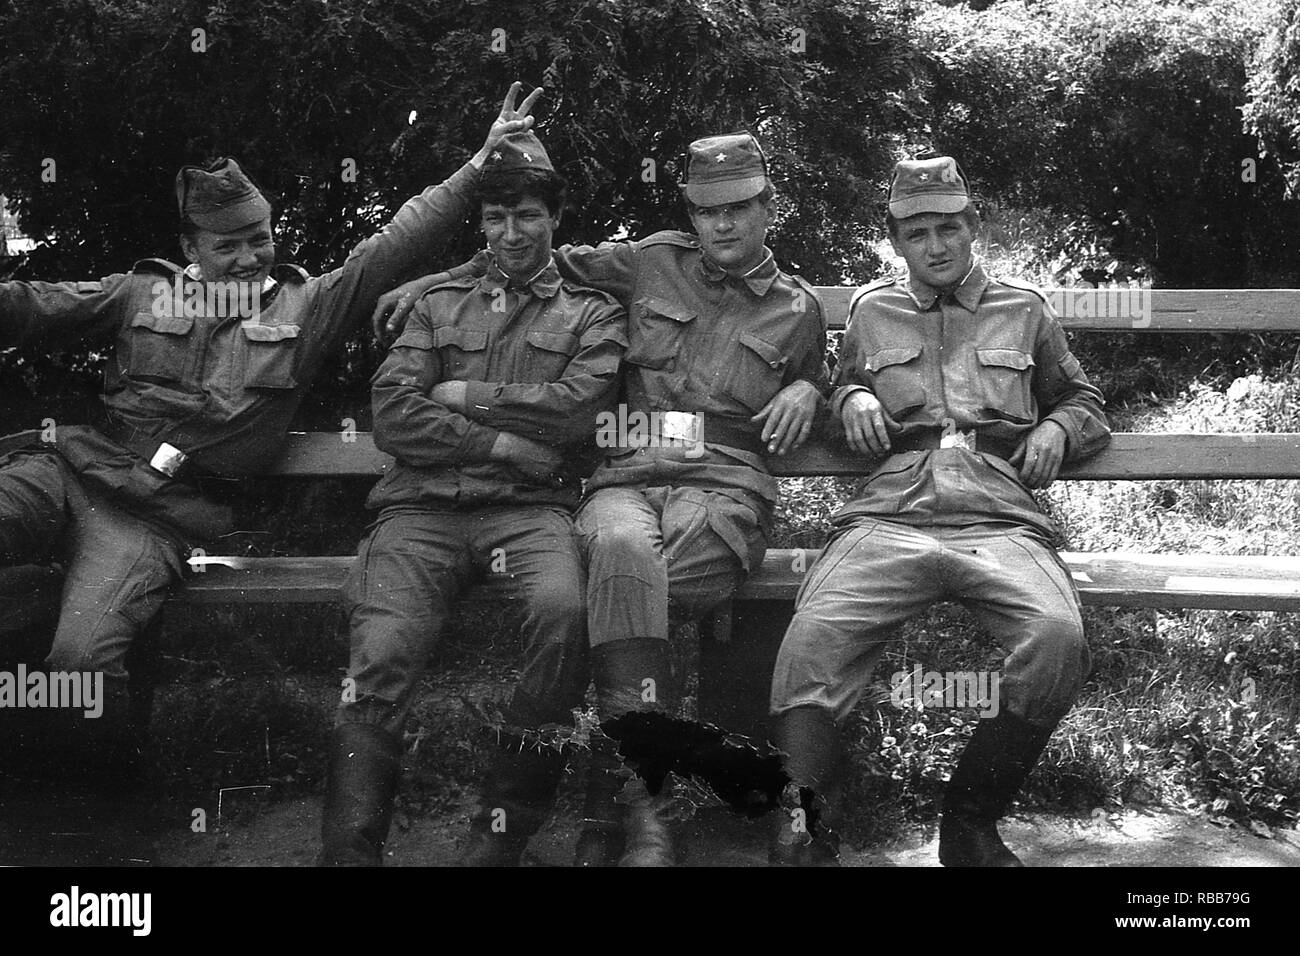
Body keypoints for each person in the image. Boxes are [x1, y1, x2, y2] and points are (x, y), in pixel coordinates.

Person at [0, 83, 541, 781]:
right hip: (67, 470)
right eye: (229, 247)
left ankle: (87, 812)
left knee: (79, 664)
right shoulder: (141, 293)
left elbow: (396, 241)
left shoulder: (307, 307)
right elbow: (31, 306)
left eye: (261, 239)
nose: (251, 257)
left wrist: (476, 167)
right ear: (190, 247)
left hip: (148, 519)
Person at [375, 132, 831, 866]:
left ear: (769, 207)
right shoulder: (650, 262)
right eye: (707, 209)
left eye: (741, 207)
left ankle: (614, 818)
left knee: (617, 591)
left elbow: (830, 379)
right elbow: (530, 255)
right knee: (619, 552)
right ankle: (640, 822)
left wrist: (813, 385)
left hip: (722, 491)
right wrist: (428, 285)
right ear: (690, 211)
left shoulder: (798, 308)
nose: (723, 224)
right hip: (624, 479)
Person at [766, 156, 1112, 866]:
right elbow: (837, 393)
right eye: (917, 232)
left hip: (997, 517)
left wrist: (1056, 427)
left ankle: (971, 824)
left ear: (972, 226)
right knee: (813, 634)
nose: (936, 246)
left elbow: (1084, 403)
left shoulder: (1025, 308)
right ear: (896, 240)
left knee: (1055, 636)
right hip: (891, 514)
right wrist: (852, 398)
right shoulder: (872, 309)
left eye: (949, 228)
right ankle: (801, 828)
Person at [319, 129, 627, 866]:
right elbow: (393, 411)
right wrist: (499, 442)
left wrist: (461, 396)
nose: (510, 233)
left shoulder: (592, 312)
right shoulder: (437, 304)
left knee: (563, 616)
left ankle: (499, 833)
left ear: (553, 220)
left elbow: (575, 410)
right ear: (480, 223)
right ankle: (349, 854)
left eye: (526, 216)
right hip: (419, 509)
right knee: (381, 654)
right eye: (494, 217)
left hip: (528, 513)